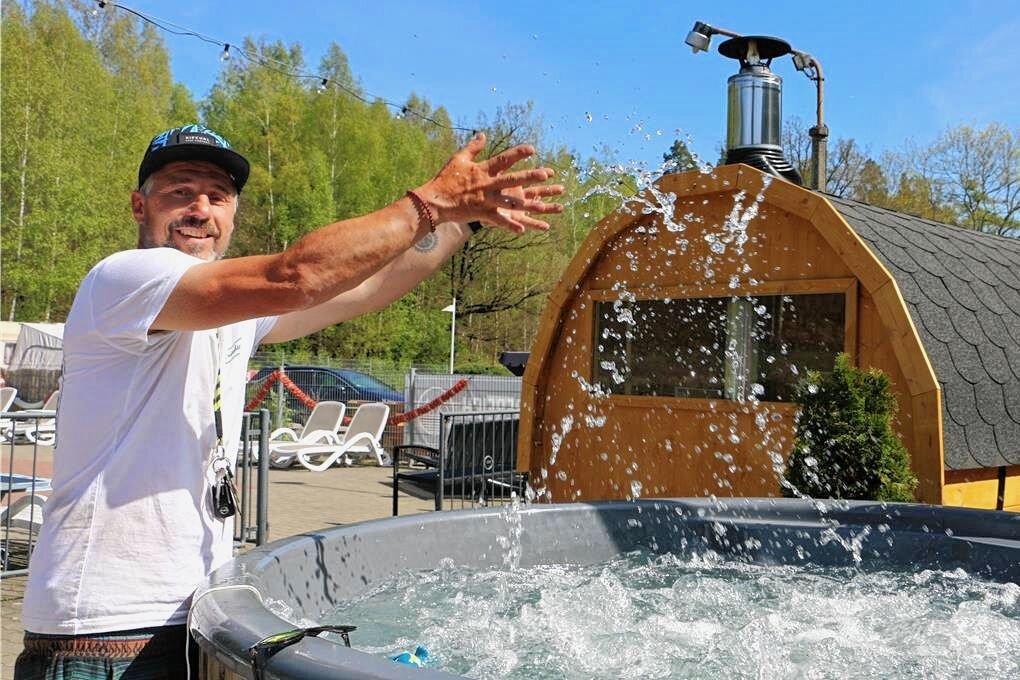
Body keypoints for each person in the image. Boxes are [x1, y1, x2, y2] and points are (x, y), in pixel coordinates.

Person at [16, 123, 562, 678]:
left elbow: (364, 287)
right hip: (101, 638)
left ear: (233, 214)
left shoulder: (228, 315)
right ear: (139, 205)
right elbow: (297, 275)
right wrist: (429, 203)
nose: (200, 209)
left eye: (218, 197)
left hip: (189, 623)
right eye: (179, 191)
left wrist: (459, 219)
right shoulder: (126, 279)